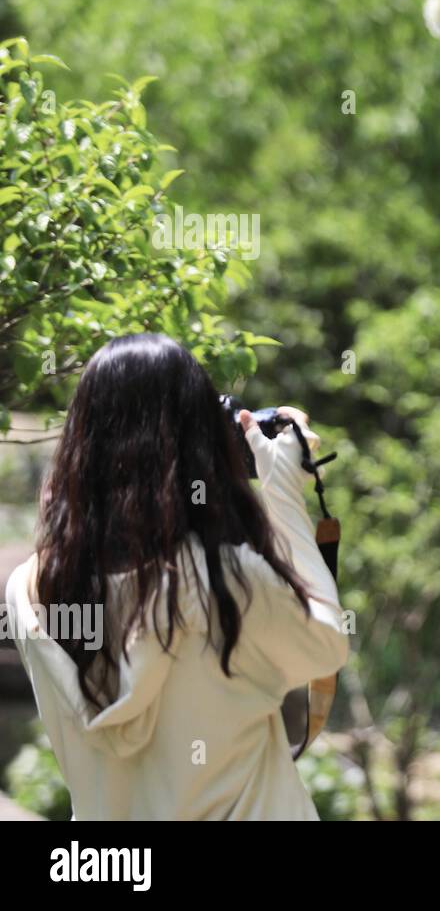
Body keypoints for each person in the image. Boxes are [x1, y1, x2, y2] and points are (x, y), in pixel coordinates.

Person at [3, 333, 349, 820]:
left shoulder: (30, 590)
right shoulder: (224, 580)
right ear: (199, 446)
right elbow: (327, 646)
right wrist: (284, 496)